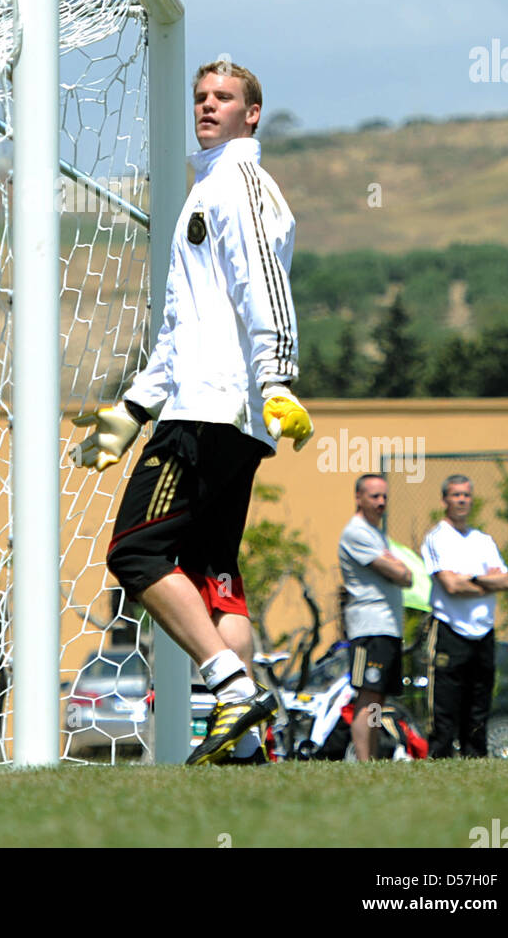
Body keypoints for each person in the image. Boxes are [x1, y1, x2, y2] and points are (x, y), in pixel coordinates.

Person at [70, 55, 313, 765]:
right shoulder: (210, 186)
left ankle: (232, 688)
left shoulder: (236, 184)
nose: (207, 105)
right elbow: (185, 327)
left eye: (225, 97)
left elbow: (263, 287)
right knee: (215, 578)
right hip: (217, 409)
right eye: (201, 95)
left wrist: (277, 377)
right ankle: (243, 745)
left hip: (211, 413)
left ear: (252, 113)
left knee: (136, 551)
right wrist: (134, 408)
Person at [420, 475, 508, 758]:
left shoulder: (483, 540)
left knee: (479, 700)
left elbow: (507, 581)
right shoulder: (437, 538)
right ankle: (439, 757)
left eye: (466, 495)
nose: (461, 500)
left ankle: (476, 757)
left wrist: (470, 578)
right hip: (450, 630)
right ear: (445, 499)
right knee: (445, 704)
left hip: (483, 632)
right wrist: (485, 581)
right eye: (455, 495)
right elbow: (451, 586)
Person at [338, 474, 412, 760]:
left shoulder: (377, 534)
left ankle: (372, 759)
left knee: (378, 697)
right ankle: (363, 761)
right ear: (358, 497)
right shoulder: (356, 532)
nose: (381, 502)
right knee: (367, 695)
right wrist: (398, 567)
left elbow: (406, 575)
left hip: (388, 627)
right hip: (369, 628)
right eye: (374, 496)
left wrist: (400, 568)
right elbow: (401, 574)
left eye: (384, 497)